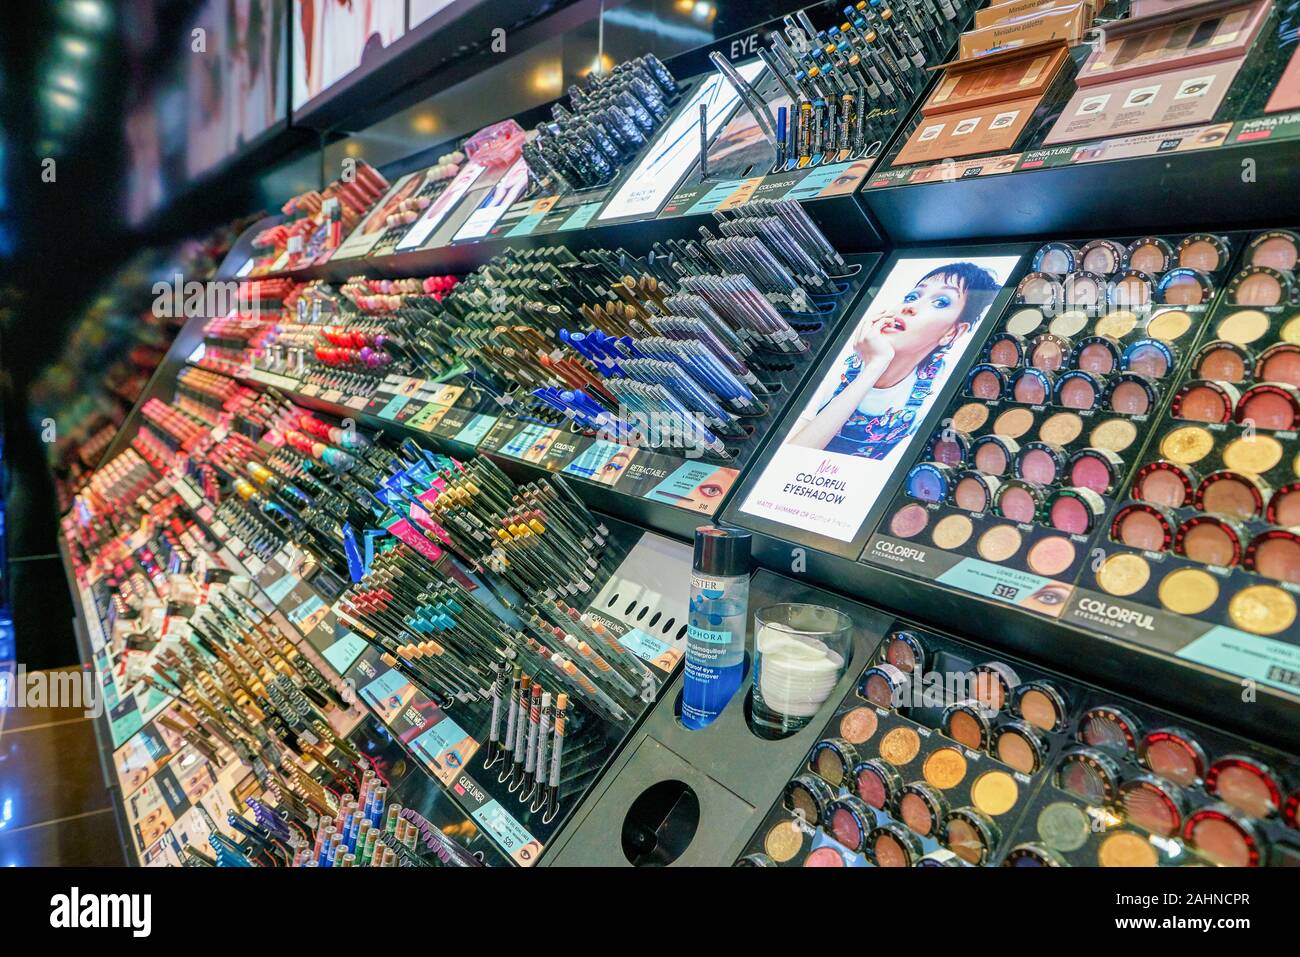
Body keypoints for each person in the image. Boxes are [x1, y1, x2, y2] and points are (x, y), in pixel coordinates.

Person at [788, 262, 1000, 456]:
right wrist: (874, 367)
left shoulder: (939, 390)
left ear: (952, 333)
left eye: (940, 302)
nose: (910, 307)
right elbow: (787, 459)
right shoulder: (839, 362)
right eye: (912, 297)